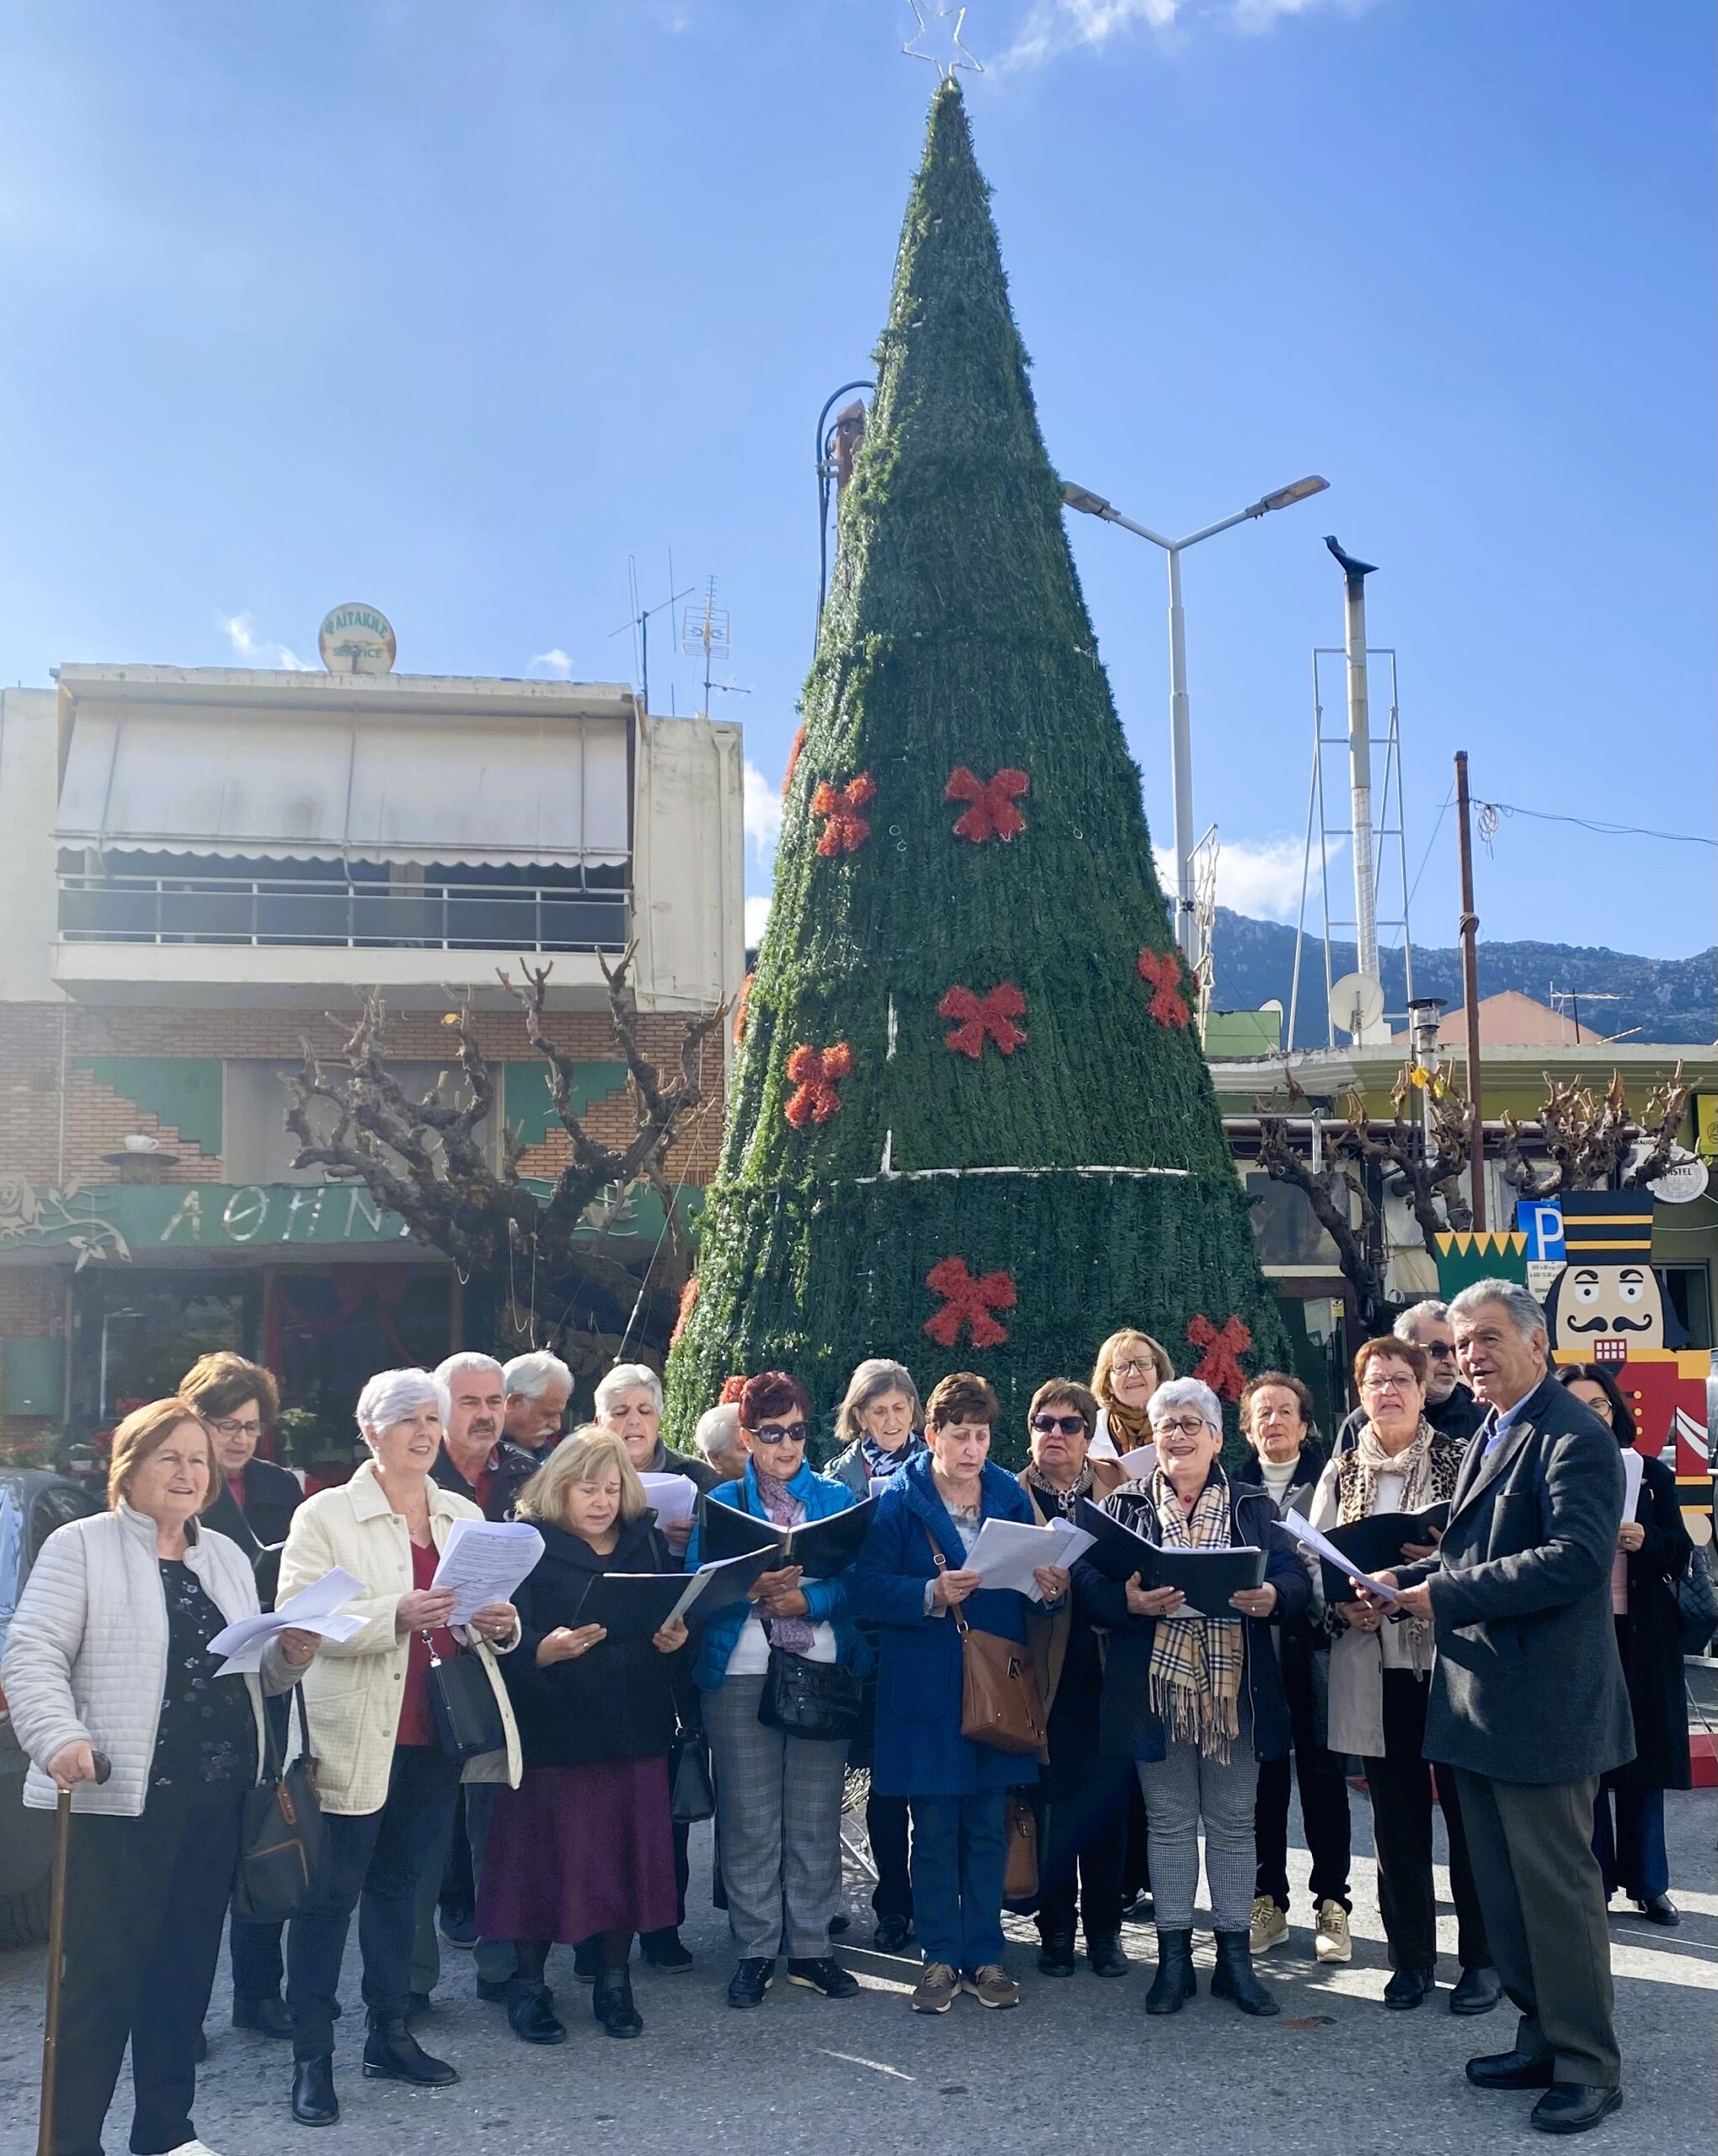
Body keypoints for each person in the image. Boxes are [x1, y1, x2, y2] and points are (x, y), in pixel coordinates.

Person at [3, 1397, 317, 2156]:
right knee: (100, 1988)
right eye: (169, 1457)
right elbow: (33, 1653)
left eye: (199, 1461)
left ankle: (167, 2133)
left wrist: (292, 1655)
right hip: (116, 1802)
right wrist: (60, 1738)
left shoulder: (227, 1558)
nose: (187, 1473)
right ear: (130, 1469)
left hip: (216, 1806)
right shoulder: (82, 1546)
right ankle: (70, 2142)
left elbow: (249, 1675)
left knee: (181, 1982)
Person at [1373, 1281, 1634, 2137]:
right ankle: (1540, 2036)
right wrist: (1413, 1578)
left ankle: (1589, 2064)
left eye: (1487, 1338)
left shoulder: (1575, 1433)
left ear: (1536, 1340)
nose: (1470, 1355)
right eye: (1458, 1342)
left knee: (1557, 1893)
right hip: (1478, 1702)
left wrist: (1442, 1594)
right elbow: (1483, 1545)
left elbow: (1575, 1560)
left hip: (1545, 1710)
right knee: (1504, 1891)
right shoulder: (1493, 1428)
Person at [278, 1369, 523, 2128]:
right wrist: (397, 1613)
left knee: (399, 1890)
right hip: (355, 1730)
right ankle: (312, 2058)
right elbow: (299, 1620)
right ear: (369, 1430)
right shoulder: (325, 1514)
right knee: (328, 1897)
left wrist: (500, 1625)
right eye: (408, 1419)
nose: (424, 1431)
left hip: (433, 1730)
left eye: (431, 1419)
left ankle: (389, 2033)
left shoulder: (456, 1510)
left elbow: (475, 1613)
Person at [1072, 1377, 1309, 2020]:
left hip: (1236, 1694)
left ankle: (1235, 1961)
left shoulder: (1255, 1506)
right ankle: (1173, 1962)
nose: (1176, 1436)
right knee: (1172, 1825)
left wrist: (1275, 1598)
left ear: (1216, 1437)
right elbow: (1084, 1574)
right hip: (1156, 1692)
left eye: (1189, 1424)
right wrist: (1124, 1600)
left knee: (1234, 1826)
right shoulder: (1124, 1506)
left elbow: (1295, 1575)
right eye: (1166, 1425)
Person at [851, 1371, 1068, 2016]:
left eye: (981, 1435)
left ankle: (988, 1954)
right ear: (931, 1435)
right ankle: (939, 1956)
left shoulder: (1009, 1491)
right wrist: (927, 1594)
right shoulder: (898, 1498)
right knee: (936, 1828)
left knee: (988, 1827)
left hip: (996, 1682)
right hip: (925, 1688)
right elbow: (866, 1587)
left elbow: (1034, 1586)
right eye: (959, 1435)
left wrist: (1051, 1587)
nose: (972, 1448)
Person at [478, 1430, 691, 2042]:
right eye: (587, 1488)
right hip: (555, 1729)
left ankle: (614, 1983)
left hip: (632, 1724)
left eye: (611, 1488)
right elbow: (497, 1641)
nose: (601, 1501)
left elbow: (665, 1623)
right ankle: (528, 1987)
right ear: (558, 1488)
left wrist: (677, 1640)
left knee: (623, 1859)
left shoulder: (643, 1541)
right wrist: (540, 1652)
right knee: (539, 1862)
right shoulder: (528, 1547)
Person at [1307, 1339, 1497, 2014]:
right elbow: (1316, 1559)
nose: (1387, 1390)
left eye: (1400, 1379)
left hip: (1452, 1661)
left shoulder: (1462, 1459)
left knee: (1471, 1816)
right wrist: (1339, 1602)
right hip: (1376, 1659)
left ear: (1423, 1390)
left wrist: (1435, 1561)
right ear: (1360, 1395)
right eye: (1375, 1381)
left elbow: (1489, 1551)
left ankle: (1483, 1957)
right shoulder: (1340, 1471)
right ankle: (1411, 1957)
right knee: (1397, 1819)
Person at [687, 1370, 864, 2009]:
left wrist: (807, 1596)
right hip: (739, 1669)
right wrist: (751, 1589)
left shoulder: (835, 1495)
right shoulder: (725, 1501)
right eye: (772, 1433)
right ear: (747, 1437)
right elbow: (696, 1588)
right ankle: (756, 1948)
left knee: (815, 1815)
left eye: (795, 1431)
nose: (787, 1446)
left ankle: (812, 1948)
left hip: (818, 1663)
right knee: (750, 1816)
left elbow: (859, 1584)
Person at [179, 1352, 306, 2043]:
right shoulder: (174, 1485)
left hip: (270, 1683)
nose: (235, 1440)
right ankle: (184, 2011)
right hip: (194, 1693)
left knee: (265, 1840)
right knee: (197, 1865)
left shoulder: (280, 1487)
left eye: (250, 1427)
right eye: (223, 1424)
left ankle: (259, 1995)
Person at [594, 1358, 725, 1971]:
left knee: (666, 1799)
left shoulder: (697, 1478)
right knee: (601, 1802)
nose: (633, 1421)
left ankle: (663, 1926)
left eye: (644, 1410)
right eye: (620, 1411)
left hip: (673, 1657)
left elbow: (720, 1569)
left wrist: (689, 1540)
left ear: (662, 1417)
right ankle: (596, 1930)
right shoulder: (585, 1476)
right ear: (601, 1419)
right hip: (601, 1656)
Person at [419, 1353, 541, 1995]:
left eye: (495, 1402)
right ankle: (443, 1918)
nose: (487, 1415)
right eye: (470, 1403)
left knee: (495, 1800)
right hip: (426, 1662)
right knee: (433, 1803)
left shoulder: (528, 1473)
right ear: (440, 1411)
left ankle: (496, 1937)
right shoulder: (417, 1472)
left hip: (504, 1657)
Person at [1555, 1364, 1691, 1928]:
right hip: (1579, 1635)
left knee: (1644, 1760)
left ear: (1616, 1412)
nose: (1591, 1415)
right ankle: (1599, 1880)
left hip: (1642, 1634)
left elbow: (1680, 1550)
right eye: (1578, 1405)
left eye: (1600, 1405)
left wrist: (1644, 1538)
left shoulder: (1650, 1473)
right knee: (1591, 1764)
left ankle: (1650, 1883)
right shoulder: (1552, 1471)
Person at [1232, 1371, 1352, 1968]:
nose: (1273, 1421)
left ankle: (1333, 1902)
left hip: (1318, 1647)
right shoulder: (1232, 1488)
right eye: (1262, 1413)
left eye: (1286, 1411)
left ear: (1306, 1425)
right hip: (1253, 1653)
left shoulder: (1332, 1479)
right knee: (1263, 1782)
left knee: (1325, 1780)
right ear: (1247, 1428)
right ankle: (1266, 1901)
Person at [1016, 1379, 1131, 1980]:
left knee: (1108, 1804)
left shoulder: (1124, 1487)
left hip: (1111, 1668)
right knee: (1053, 1806)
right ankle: (1056, 1930)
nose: (1055, 1434)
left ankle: (1107, 1932)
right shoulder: (1007, 1494)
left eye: (1069, 1424)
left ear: (1090, 1434)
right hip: (1040, 1672)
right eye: (1043, 1423)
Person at [824, 1356, 926, 1951]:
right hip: (866, 1639)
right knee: (883, 1784)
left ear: (914, 1409)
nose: (890, 1420)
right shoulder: (835, 1477)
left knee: (934, 1783)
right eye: (877, 1410)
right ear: (858, 1415)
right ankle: (893, 1906)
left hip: (930, 1632)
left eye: (899, 1408)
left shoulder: (938, 1465)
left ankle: (942, 1899)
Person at [185, 1352, 303, 1556]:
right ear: (196, 1422)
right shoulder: (175, 1481)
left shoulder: (280, 1484)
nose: (241, 1439)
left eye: (251, 1427)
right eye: (228, 1426)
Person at [1336, 1299, 1486, 1452]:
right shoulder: (1363, 1422)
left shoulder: (1482, 1422)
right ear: (1405, 1352)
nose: (1450, 1360)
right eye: (1437, 1349)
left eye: (1456, 1350)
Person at [1086, 1329, 1174, 1471]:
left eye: (1143, 1363)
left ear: (1159, 1374)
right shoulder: (1088, 1431)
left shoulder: (1183, 1424)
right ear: (1107, 1382)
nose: (1133, 1373)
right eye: (1121, 1367)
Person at [502, 1349, 574, 1455]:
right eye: (547, 1415)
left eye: (558, 1414)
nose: (557, 1426)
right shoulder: (480, 1459)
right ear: (514, 1403)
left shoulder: (550, 1456)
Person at [692, 1399, 748, 1485]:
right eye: (744, 1448)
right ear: (715, 1458)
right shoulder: (709, 1496)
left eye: (757, 1441)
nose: (757, 1452)